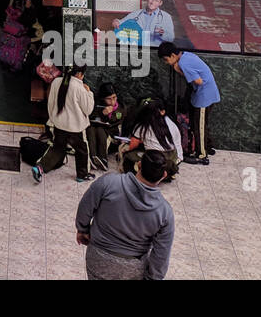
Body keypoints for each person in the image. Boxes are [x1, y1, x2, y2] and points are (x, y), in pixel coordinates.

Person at [75, 150, 175, 281]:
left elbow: (85, 207)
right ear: (164, 175)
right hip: (133, 269)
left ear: (138, 165)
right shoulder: (165, 212)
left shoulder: (108, 182)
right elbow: (162, 253)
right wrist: (153, 277)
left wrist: (82, 229)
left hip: (98, 259)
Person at [31, 65, 96, 185]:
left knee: (57, 148)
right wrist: (89, 93)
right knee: (82, 150)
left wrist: (53, 119)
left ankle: (40, 168)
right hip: (75, 128)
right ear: (79, 74)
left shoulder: (56, 82)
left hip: (59, 125)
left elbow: (51, 103)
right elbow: (88, 110)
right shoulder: (80, 88)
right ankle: (82, 175)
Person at [158, 42, 219, 164]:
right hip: (204, 95)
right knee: (201, 124)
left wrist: (179, 71)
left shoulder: (183, 63)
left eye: (166, 60)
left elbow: (199, 81)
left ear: (173, 55)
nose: (166, 63)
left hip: (204, 97)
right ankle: (207, 146)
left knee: (199, 126)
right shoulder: (186, 55)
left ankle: (201, 154)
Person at [117, 100, 182, 180]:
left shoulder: (142, 126)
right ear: (162, 112)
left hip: (156, 158)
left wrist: (124, 149)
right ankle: (168, 171)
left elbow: (133, 145)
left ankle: (143, 171)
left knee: (129, 157)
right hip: (172, 156)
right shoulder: (170, 123)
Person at [87, 83, 125, 172]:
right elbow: (90, 116)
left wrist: (107, 116)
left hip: (111, 134)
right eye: (109, 99)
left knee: (100, 130)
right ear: (103, 98)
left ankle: (103, 158)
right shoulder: (97, 104)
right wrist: (101, 113)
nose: (112, 101)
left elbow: (118, 123)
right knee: (91, 128)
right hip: (95, 131)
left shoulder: (121, 107)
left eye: (114, 97)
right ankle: (93, 156)